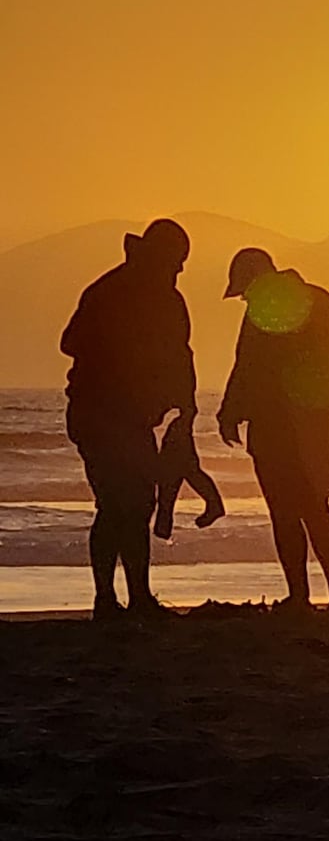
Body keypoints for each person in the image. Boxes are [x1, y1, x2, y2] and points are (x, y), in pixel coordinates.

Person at [60, 219, 197, 621]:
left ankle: (136, 597)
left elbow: (181, 356)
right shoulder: (108, 291)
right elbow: (69, 342)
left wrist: (186, 407)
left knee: (136, 504)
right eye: (176, 261)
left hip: (134, 418)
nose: (180, 270)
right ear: (158, 255)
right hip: (98, 414)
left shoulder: (169, 301)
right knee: (116, 504)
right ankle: (107, 599)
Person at [218, 247, 329, 610]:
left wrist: (230, 412)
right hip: (310, 425)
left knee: (291, 512)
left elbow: (245, 367)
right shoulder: (316, 299)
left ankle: (306, 597)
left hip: (283, 428)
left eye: (245, 288)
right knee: (312, 509)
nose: (245, 296)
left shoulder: (269, 309)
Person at [153, 416, 225, 541]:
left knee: (177, 468)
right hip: (180, 421)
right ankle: (163, 525)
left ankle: (163, 525)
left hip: (180, 420)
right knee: (178, 469)